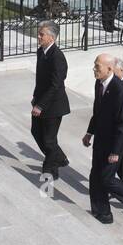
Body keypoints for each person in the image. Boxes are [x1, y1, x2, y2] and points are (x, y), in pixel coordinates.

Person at [83, 53, 123, 225]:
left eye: (97, 67)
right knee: (96, 177)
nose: (94, 69)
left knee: (106, 178)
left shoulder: (120, 90)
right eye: (95, 65)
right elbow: (98, 112)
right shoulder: (99, 83)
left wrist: (116, 151)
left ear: (109, 69)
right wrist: (89, 133)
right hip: (100, 140)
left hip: (114, 144)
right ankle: (103, 213)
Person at [30, 22, 70, 180]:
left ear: (52, 37)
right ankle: (59, 159)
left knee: (49, 139)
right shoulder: (41, 51)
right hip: (40, 101)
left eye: (42, 34)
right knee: (36, 132)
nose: (38, 37)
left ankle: (49, 171)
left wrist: (41, 105)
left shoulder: (57, 57)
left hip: (53, 105)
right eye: (39, 34)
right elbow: (40, 79)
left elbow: (56, 85)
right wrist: (35, 99)